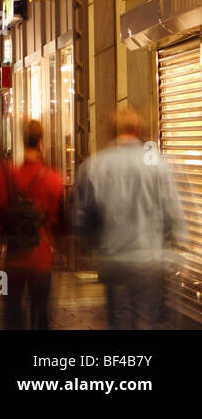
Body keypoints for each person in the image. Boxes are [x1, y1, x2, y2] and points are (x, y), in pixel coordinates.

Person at [73, 107, 185, 329]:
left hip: (113, 258)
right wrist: (176, 244)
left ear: (111, 132)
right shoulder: (157, 164)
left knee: (118, 318)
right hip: (148, 259)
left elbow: (81, 217)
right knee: (146, 318)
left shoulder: (95, 165)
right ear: (137, 129)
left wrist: (91, 245)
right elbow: (172, 211)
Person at [0, 119, 65, 329]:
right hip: (41, 260)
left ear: (21, 141)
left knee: (10, 315)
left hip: (11, 262)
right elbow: (58, 222)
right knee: (42, 315)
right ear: (41, 142)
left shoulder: (5, 176)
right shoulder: (53, 179)